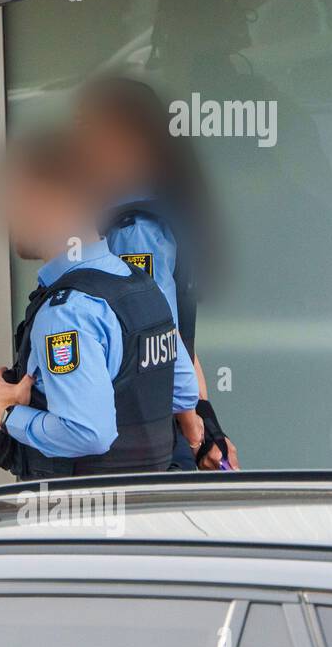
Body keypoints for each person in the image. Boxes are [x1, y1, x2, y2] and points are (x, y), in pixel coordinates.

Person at [0, 133, 201, 478]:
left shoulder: (67, 311)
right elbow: (182, 391)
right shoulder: (140, 284)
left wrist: (6, 413)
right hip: (148, 505)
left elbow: (88, 433)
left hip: (82, 520)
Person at [71, 76, 240, 470]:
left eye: (86, 133)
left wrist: (194, 426)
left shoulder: (134, 228)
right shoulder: (143, 213)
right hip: (156, 426)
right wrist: (205, 420)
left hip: (138, 434)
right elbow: (179, 336)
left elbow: (156, 336)